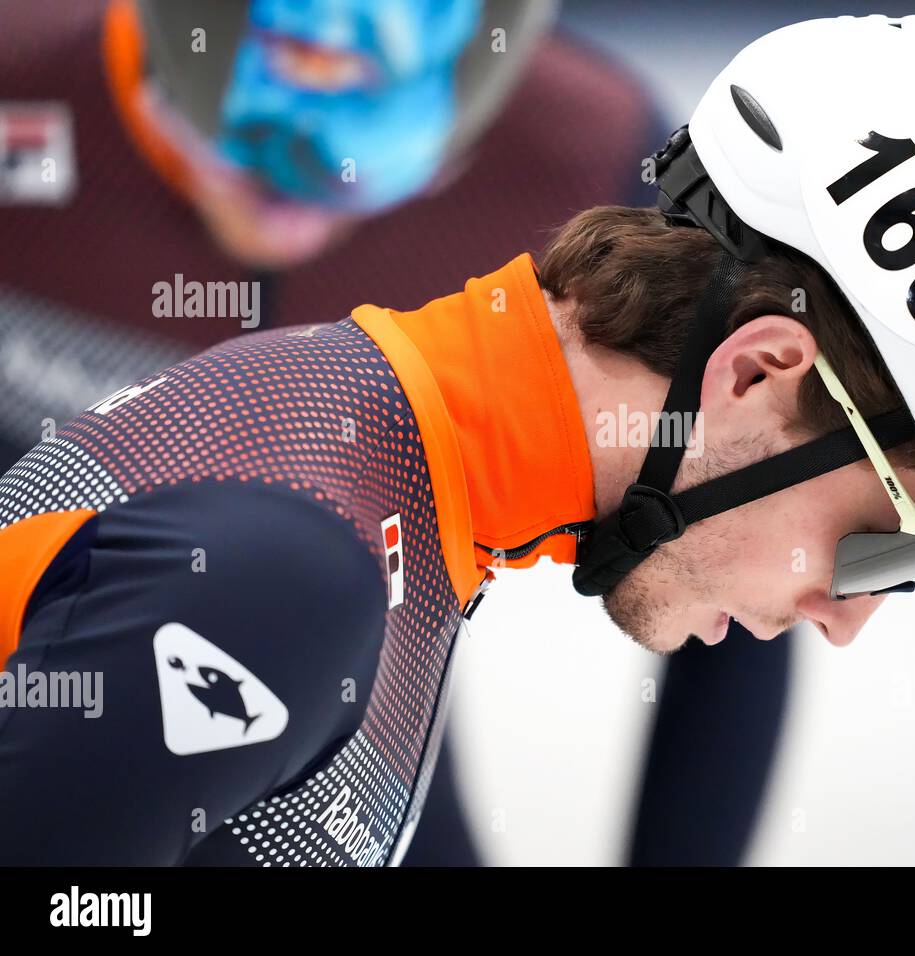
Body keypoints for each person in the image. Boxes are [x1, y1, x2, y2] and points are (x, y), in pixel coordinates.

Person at [0, 13, 915, 864]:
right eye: (888, 548)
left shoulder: (384, 517)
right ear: (755, 373)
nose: (849, 617)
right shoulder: (297, 571)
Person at [0, 0, 797, 865]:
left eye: (378, 181)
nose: (290, 221)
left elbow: (741, 534)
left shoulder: (585, 155)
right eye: (239, 155)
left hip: (344, 685)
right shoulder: (23, 69)